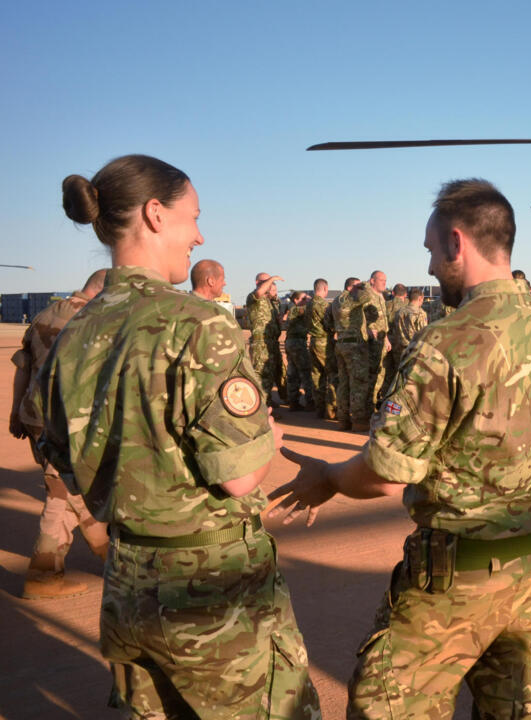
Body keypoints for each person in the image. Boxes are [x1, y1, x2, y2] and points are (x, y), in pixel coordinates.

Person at [269, 178, 531, 718]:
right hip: (530, 576)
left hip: (452, 585)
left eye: (431, 252)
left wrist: (327, 478)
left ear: (457, 243)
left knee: (385, 707)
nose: (431, 268)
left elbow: (386, 473)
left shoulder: (447, 340)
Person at [36, 154, 319, 717]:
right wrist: (265, 434)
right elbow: (238, 477)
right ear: (155, 214)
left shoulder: (73, 329)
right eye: (194, 217)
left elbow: (62, 462)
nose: (200, 234)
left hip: (126, 583)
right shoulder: (197, 322)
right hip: (214, 595)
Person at [10, 268, 110, 599]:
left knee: (68, 491)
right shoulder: (91, 322)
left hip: (35, 416)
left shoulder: (44, 315)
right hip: (67, 423)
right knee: (61, 494)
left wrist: (15, 412)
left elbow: (23, 370)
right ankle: (43, 578)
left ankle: (110, 557)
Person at [331, 276, 370, 431]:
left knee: (344, 383)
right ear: (350, 287)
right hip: (353, 344)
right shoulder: (349, 299)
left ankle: (343, 419)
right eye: (356, 286)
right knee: (357, 383)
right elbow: (367, 296)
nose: (359, 289)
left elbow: (328, 321)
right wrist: (365, 284)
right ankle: (359, 420)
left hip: (340, 342)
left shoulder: (335, 301)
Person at [246, 271, 285, 406]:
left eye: (270, 282)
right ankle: (260, 407)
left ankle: (266, 402)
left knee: (272, 374)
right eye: (266, 281)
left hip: (272, 342)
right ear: (257, 283)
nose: (270, 283)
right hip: (261, 342)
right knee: (261, 375)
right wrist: (273, 277)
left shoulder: (270, 302)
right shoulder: (254, 297)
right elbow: (258, 293)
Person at [359, 270, 391, 409]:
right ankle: (368, 406)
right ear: (372, 281)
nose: (384, 283)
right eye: (381, 280)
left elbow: (383, 321)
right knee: (372, 374)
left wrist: (387, 339)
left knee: (380, 373)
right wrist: (366, 329)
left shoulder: (380, 297)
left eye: (385, 280)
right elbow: (359, 315)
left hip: (382, 340)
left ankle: (372, 403)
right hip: (371, 341)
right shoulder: (366, 295)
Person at [283, 290, 315, 410]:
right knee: (305, 372)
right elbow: (310, 308)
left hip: (292, 342)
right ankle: (310, 401)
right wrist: (312, 301)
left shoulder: (294, 309)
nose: (305, 300)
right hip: (297, 343)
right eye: (303, 298)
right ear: (296, 300)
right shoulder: (295, 309)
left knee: (293, 373)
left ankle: (294, 401)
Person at [306, 278, 331, 419]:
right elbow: (329, 323)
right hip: (324, 341)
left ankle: (319, 408)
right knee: (330, 374)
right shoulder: (323, 304)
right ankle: (330, 410)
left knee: (317, 376)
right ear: (325, 288)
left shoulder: (309, 304)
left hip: (314, 340)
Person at [387, 287, 427, 374]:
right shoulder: (420, 313)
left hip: (399, 349)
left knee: (398, 376)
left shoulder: (400, 312)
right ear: (420, 298)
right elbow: (423, 334)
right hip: (413, 350)